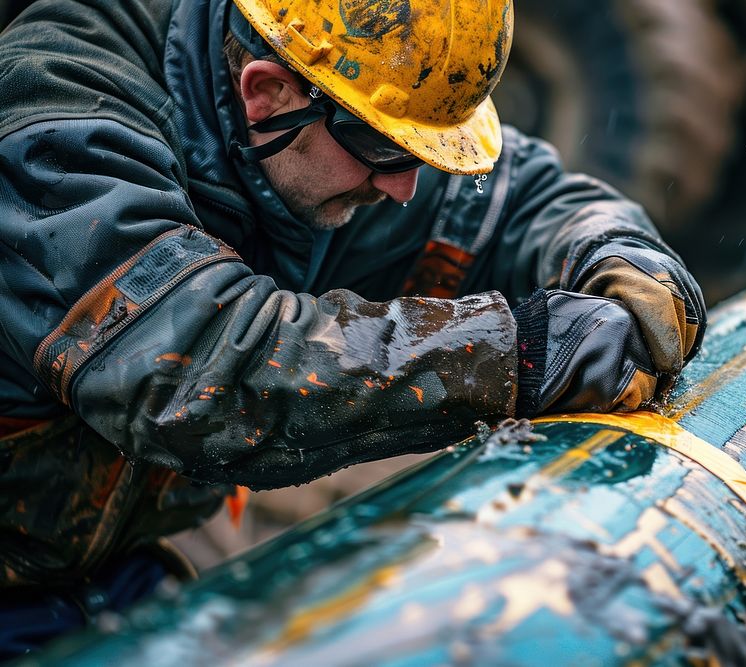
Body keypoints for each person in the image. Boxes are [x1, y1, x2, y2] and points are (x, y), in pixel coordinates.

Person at [0, 0, 705, 655]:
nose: (404, 188)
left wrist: (615, 254)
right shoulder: (53, 129)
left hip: (112, 570)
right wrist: (512, 353)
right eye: (387, 151)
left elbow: (519, 203)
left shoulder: (307, 134)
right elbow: (200, 368)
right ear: (265, 92)